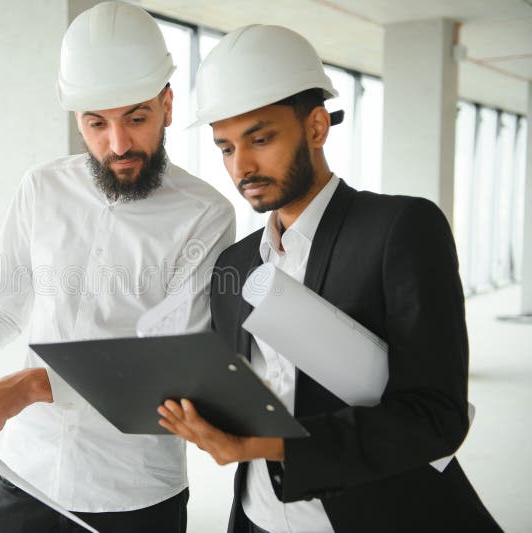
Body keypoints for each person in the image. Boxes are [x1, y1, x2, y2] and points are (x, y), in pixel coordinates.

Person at [0, 3, 234, 532]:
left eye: (136, 117)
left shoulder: (205, 214)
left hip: (134, 492)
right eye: (96, 123)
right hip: (28, 474)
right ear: (77, 118)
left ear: (168, 104)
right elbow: (2, 309)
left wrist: (39, 384)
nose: (118, 145)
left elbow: (176, 362)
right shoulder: (41, 189)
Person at [157, 25, 500, 533]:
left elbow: (436, 417)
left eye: (261, 138)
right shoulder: (233, 265)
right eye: (226, 147)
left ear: (316, 126)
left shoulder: (401, 230)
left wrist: (264, 446)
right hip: (257, 519)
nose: (241, 166)